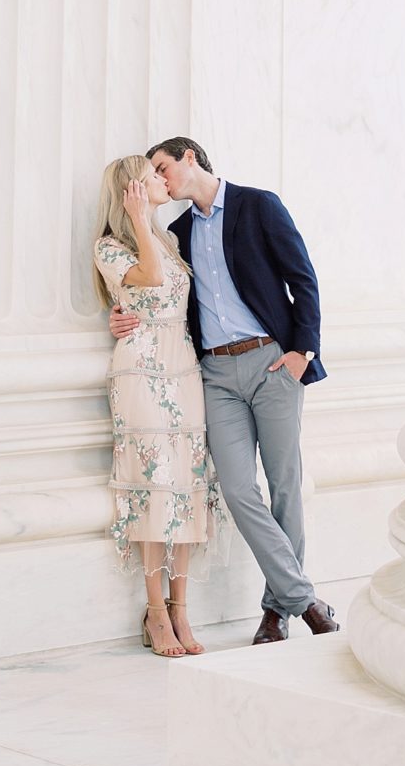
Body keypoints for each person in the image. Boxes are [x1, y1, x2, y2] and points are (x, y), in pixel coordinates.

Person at [116, 137, 339, 648]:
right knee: (238, 490)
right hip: (215, 376)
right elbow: (160, 293)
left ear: (190, 158)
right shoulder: (176, 233)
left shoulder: (257, 205)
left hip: (271, 362)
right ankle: (305, 600)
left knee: (285, 485)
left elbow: (302, 278)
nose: (161, 178)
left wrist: (302, 352)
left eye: (163, 166)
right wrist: (121, 313)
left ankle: (274, 612)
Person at [91, 154, 223, 658]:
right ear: (132, 192)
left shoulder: (169, 239)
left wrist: (151, 224)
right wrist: (142, 220)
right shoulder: (112, 246)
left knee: (188, 484)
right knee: (154, 484)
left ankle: (181, 607)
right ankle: (155, 611)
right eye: (151, 179)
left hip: (182, 365)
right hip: (141, 370)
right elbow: (146, 278)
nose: (161, 182)